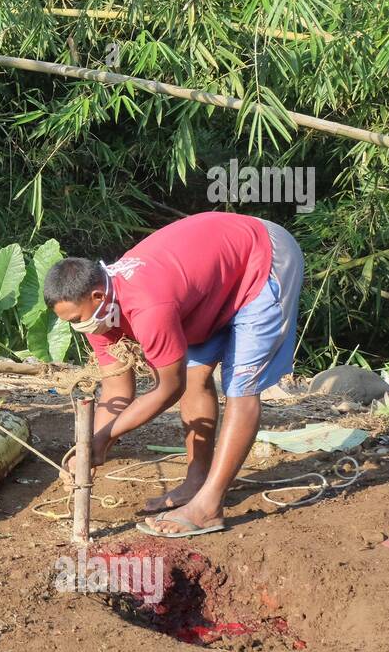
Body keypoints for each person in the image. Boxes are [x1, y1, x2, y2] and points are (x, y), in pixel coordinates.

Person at [43, 212, 304, 537]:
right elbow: (116, 389)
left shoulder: (147, 306)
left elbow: (169, 388)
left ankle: (209, 505)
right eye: (70, 321)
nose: (77, 327)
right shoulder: (96, 311)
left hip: (261, 259)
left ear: (97, 297)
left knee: (240, 386)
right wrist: (89, 448)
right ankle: (195, 483)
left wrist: (105, 437)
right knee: (196, 375)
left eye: (76, 319)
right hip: (212, 285)